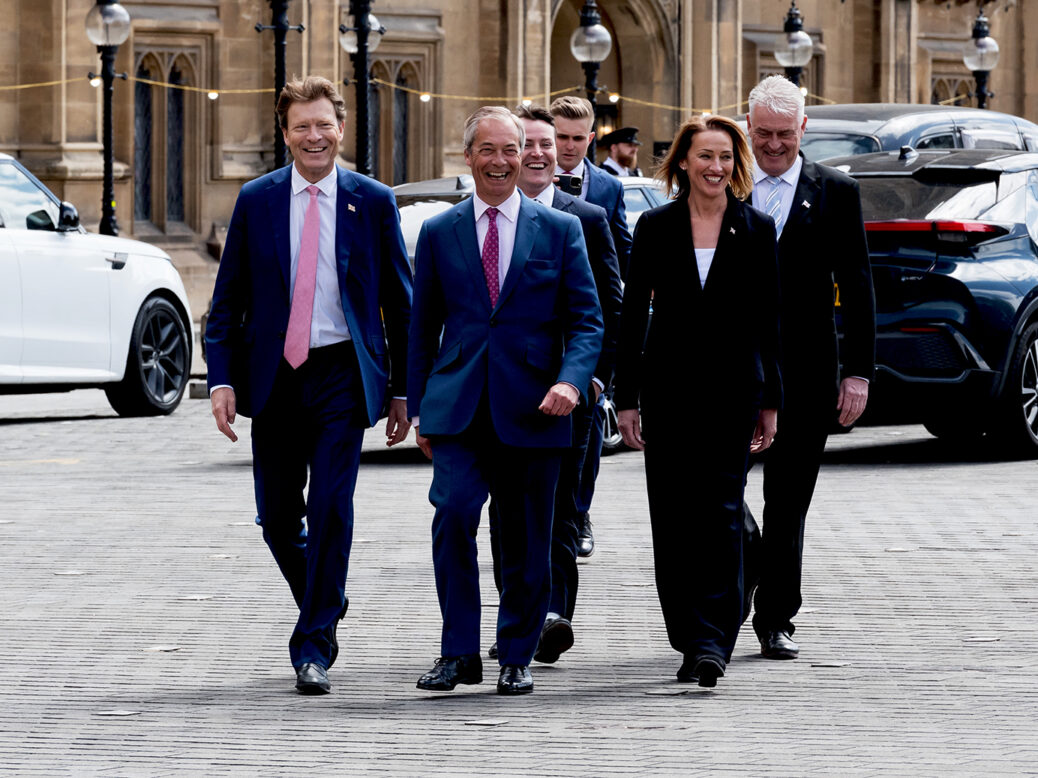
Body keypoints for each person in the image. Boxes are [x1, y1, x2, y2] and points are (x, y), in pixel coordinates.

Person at [205, 76, 412, 695]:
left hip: (341, 373)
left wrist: (404, 391)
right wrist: (220, 379)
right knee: (276, 519)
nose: (314, 136)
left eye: (324, 124)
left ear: (341, 128)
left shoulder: (373, 201)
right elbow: (228, 299)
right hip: (274, 377)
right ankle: (327, 598)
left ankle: (313, 644)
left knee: (329, 507)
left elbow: (402, 305)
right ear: (285, 133)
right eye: (302, 126)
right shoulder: (257, 199)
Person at [408, 106, 603, 696]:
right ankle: (458, 653)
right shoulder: (439, 232)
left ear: (525, 156)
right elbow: (422, 329)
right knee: (453, 517)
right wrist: (418, 409)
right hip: (458, 409)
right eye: (487, 150)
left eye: (510, 150)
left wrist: (571, 382)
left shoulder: (561, 230)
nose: (500, 161)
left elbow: (587, 320)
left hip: (536, 409)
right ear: (469, 157)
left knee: (527, 538)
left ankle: (517, 654)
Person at [615, 114, 782, 688]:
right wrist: (627, 398)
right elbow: (632, 315)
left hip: (734, 392)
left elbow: (769, 322)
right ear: (683, 162)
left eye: (726, 157)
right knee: (674, 517)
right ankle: (688, 633)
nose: (716, 167)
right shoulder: (655, 226)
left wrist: (771, 401)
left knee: (720, 512)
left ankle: (712, 641)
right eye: (706, 156)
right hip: (669, 392)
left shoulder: (756, 228)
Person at [742, 75, 876, 660]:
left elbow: (858, 283)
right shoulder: (724, 181)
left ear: (804, 128)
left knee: (789, 499)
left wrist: (858, 372)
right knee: (720, 492)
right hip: (733, 367)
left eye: (784, 134)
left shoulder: (836, 192)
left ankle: (776, 617)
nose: (773, 145)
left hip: (807, 367)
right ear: (748, 128)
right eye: (763, 133)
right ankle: (745, 566)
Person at [485, 104, 623, 664]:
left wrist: (595, 380)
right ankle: (515, 615)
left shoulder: (585, 218)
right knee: (506, 512)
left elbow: (610, 305)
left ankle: (551, 617)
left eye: (548, 144)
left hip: (570, 395)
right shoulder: (485, 218)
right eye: (530, 143)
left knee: (561, 508)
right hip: (501, 393)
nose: (540, 153)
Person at [549, 95, 635, 559]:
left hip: (589, 326)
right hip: (541, 325)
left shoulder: (607, 188)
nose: (567, 146)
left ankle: (579, 514)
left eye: (577, 138)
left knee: (587, 434)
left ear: (591, 138)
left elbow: (620, 255)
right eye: (560, 137)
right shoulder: (528, 175)